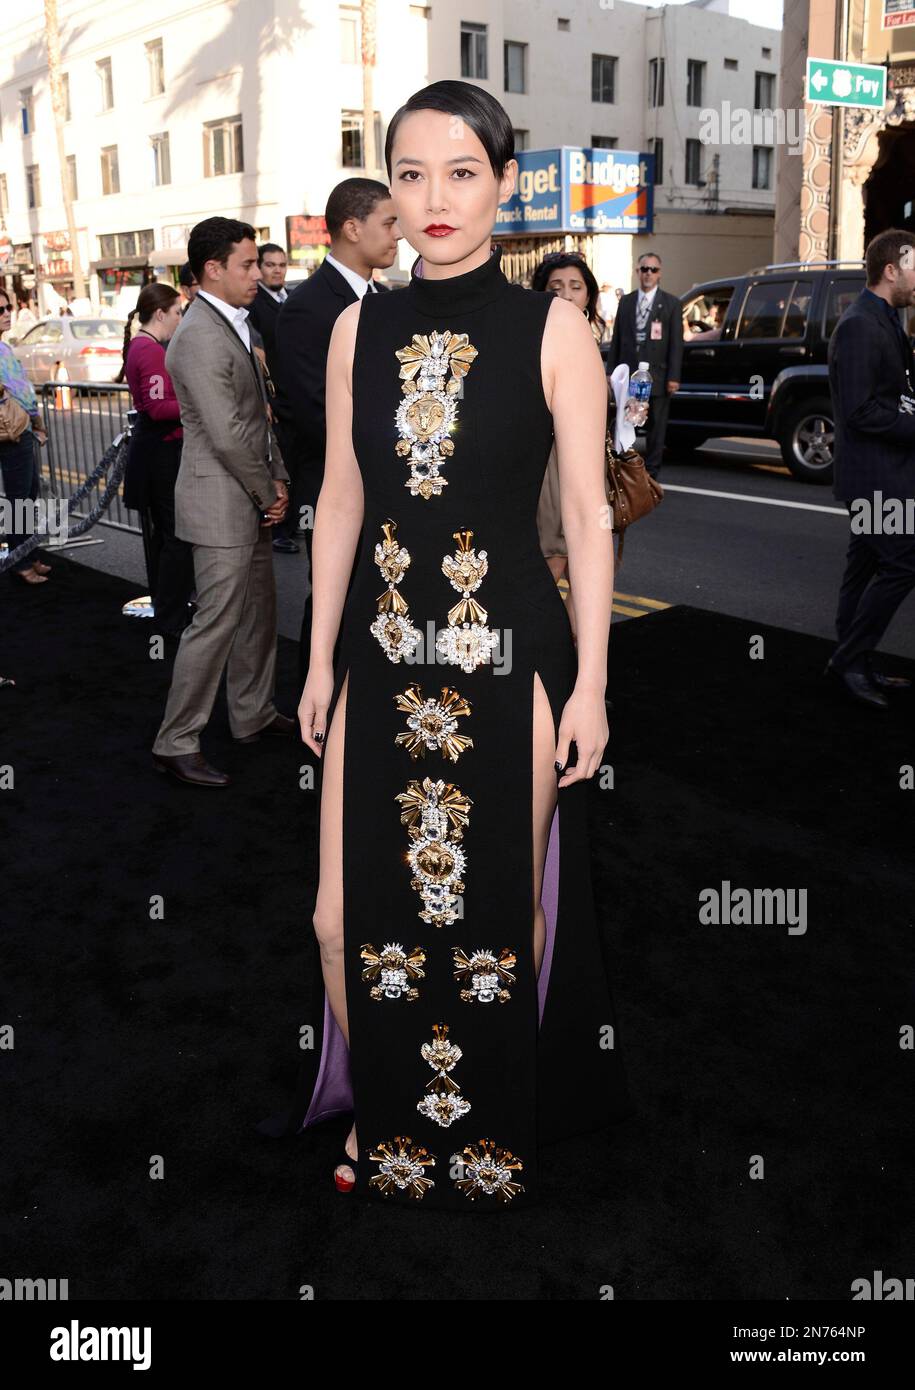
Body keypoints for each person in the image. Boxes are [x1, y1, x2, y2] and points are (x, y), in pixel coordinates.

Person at [258, 80, 634, 1207]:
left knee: (492, 909)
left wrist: (594, 684)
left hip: (508, 649)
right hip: (378, 655)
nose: (434, 198)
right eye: (411, 174)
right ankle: (386, 1110)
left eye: (462, 172)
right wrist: (317, 661)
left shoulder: (552, 327)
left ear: (505, 185)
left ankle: (485, 1128)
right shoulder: (354, 328)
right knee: (338, 911)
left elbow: (585, 514)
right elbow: (338, 506)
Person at [151, 217, 293, 786]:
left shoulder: (232, 321)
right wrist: (269, 491)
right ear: (213, 270)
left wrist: (276, 482)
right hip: (221, 504)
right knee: (214, 625)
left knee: (258, 616)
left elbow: (260, 416)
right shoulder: (200, 335)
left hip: (251, 496)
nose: (259, 273)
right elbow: (229, 431)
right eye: (248, 264)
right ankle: (176, 739)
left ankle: (252, 713)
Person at [275, 179, 400, 683]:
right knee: (334, 597)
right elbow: (314, 410)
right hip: (332, 484)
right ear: (352, 227)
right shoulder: (308, 307)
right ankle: (319, 708)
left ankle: (363, 705)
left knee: (378, 599)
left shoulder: (385, 299)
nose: (399, 236)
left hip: (385, 483)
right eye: (389, 223)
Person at [824, 227, 915, 709]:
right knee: (903, 563)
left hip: (885, 471)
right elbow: (860, 410)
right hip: (874, 476)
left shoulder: (886, 320)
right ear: (891, 269)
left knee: (864, 567)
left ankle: (851, 658)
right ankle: (849, 659)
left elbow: (895, 396)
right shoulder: (861, 324)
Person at [531, 251, 609, 640]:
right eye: (555, 287)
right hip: (552, 469)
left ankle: (577, 672)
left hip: (593, 468)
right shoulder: (536, 345)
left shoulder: (595, 342)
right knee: (555, 561)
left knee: (589, 577)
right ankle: (538, 667)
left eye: (575, 287)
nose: (566, 294)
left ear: (589, 296)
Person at [118, 282, 195, 638]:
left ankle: (171, 609)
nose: (181, 318)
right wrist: (197, 407)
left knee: (169, 538)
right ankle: (171, 615)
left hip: (160, 450)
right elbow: (156, 407)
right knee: (175, 538)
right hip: (161, 453)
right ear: (161, 313)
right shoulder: (148, 350)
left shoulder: (145, 346)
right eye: (178, 312)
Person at [607, 252, 683, 478]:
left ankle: (651, 472)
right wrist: (611, 371)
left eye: (653, 270)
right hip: (630, 374)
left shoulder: (671, 303)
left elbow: (676, 344)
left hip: (658, 375)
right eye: (644, 269)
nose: (648, 273)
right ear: (637, 272)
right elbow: (617, 339)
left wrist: (674, 376)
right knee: (626, 420)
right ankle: (624, 467)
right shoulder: (627, 301)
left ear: (660, 274)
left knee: (656, 426)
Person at [247, 243, 299, 555]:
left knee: (295, 467)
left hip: (294, 397)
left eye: (281, 264)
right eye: (270, 264)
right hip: (272, 400)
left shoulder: (291, 298)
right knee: (277, 467)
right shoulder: (254, 304)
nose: (277, 269)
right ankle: (280, 527)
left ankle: (293, 524)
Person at [0, 286, 50, 585]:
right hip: (15, 431)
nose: (7, 314)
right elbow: (25, 394)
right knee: (22, 498)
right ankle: (21, 560)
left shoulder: (4, 347)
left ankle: (29, 555)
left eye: (8, 309)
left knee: (26, 495)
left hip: (14, 430)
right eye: (0, 310)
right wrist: (38, 421)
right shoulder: (2, 351)